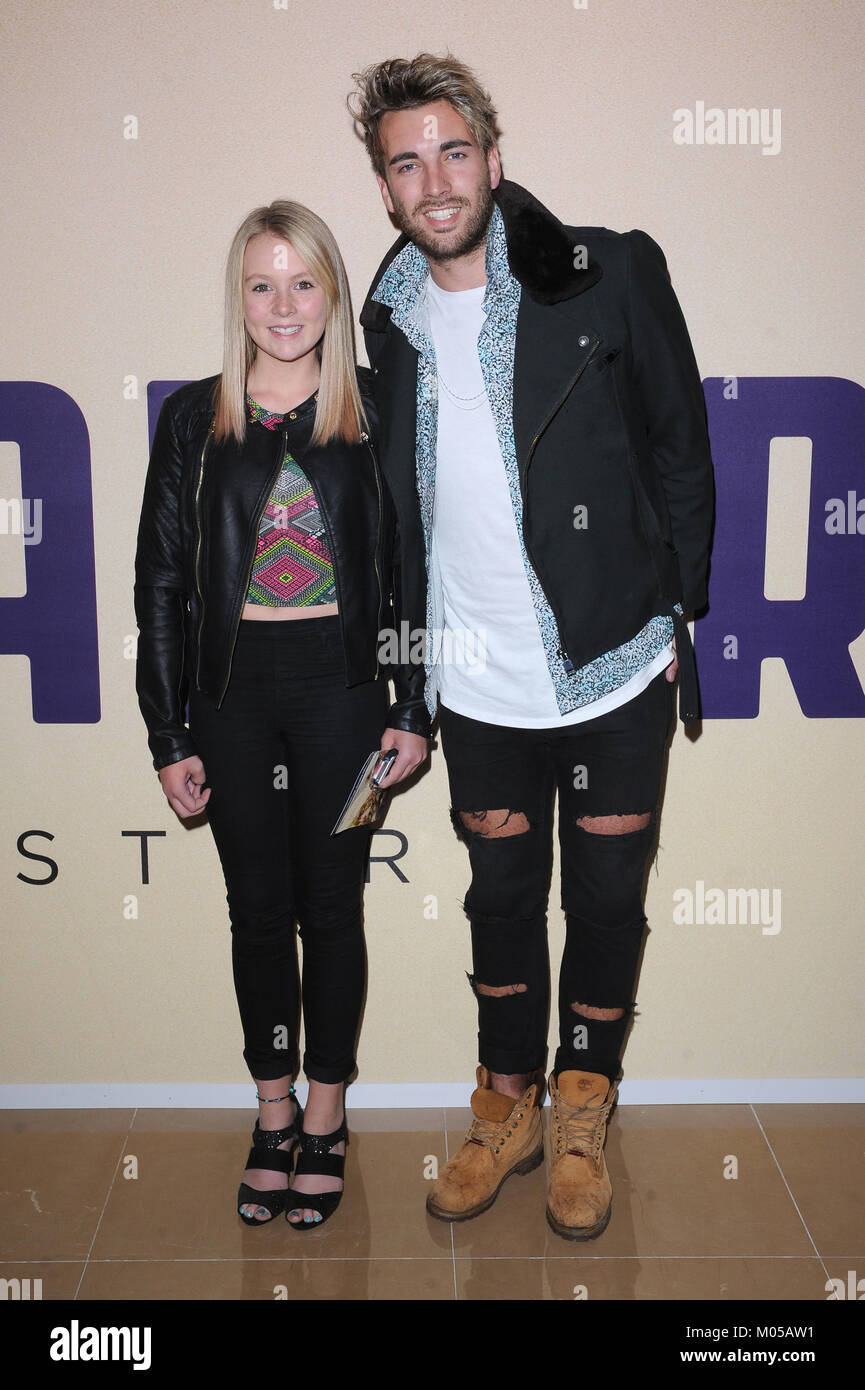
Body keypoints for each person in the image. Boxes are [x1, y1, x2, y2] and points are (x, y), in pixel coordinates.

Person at [347, 54, 715, 1239]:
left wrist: (678, 610)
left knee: (606, 903)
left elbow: (680, 444)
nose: (435, 180)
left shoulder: (605, 273)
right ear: (386, 187)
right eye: (407, 162)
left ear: (492, 158)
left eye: (453, 151)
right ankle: (504, 1105)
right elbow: (402, 526)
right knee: (500, 903)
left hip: (611, 666)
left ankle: (581, 1110)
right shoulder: (389, 322)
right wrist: (407, 680)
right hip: (477, 683)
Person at [133, 200, 430, 1228]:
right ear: (239, 298)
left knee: (333, 908)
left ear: (331, 293)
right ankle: (272, 1111)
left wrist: (412, 704)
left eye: (303, 282)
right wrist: (167, 731)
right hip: (230, 698)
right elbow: (160, 582)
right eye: (262, 285)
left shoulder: (376, 408)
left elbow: (413, 569)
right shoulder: (195, 418)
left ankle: (328, 1113)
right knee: (256, 910)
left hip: (345, 695)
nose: (284, 304)